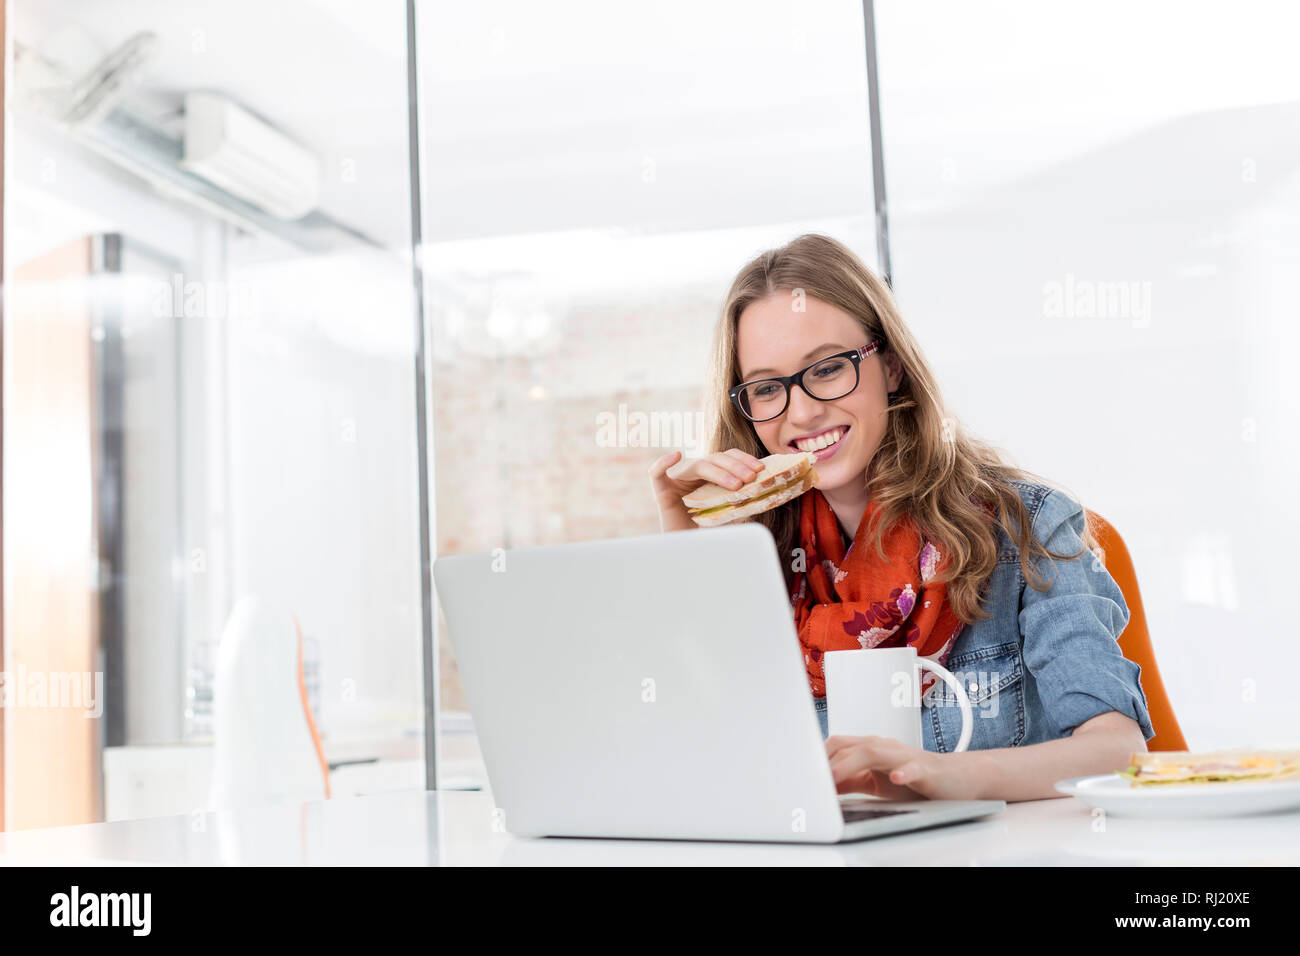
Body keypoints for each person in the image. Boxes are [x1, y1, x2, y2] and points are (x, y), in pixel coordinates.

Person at [648, 234, 1153, 803]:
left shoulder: (1027, 527)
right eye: (768, 388)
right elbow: (693, 753)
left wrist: (942, 778)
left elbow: (1117, 752)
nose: (804, 410)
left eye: (828, 368)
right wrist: (683, 540)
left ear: (889, 367)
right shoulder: (751, 555)